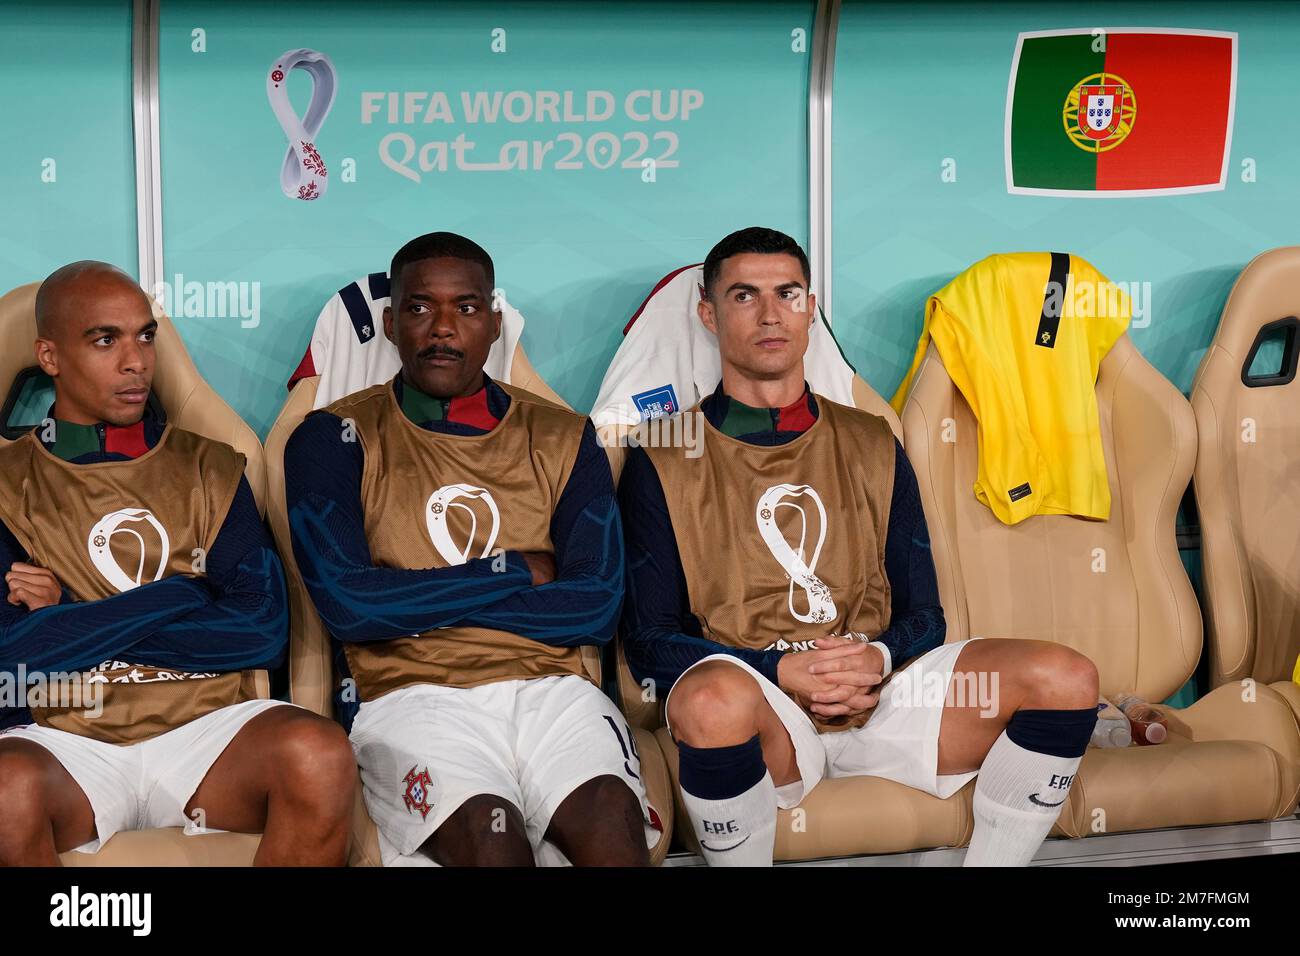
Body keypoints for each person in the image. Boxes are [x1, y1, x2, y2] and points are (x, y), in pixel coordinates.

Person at [619, 227, 1100, 866]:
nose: (770, 314)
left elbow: (927, 616)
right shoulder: (663, 451)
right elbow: (649, 640)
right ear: (708, 314)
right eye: (744, 296)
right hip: (761, 709)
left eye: (788, 293)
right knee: (711, 701)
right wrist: (779, 671)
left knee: (1067, 678)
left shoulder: (872, 438)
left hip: (886, 694)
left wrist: (875, 657)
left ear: (811, 308)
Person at [285, 232, 657, 866]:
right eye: (420, 307)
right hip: (412, 693)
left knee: (610, 834)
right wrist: (513, 572)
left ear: (495, 322)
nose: (442, 329)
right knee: (496, 843)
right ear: (390, 322)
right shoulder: (331, 438)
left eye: (466, 307)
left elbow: (592, 608)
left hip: (552, 689)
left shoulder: (564, 436)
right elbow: (351, 607)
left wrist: (413, 601)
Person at [0, 261, 357, 866]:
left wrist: (70, 616)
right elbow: (13, 654)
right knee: (5, 789)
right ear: (49, 357)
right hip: (67, 740)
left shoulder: (212, 467)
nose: (137, 360)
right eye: (105, 340)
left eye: (145, 336)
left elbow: (260, 631)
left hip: (209, 735)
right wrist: (186, 593)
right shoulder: (8, 485)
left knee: (318, 752)